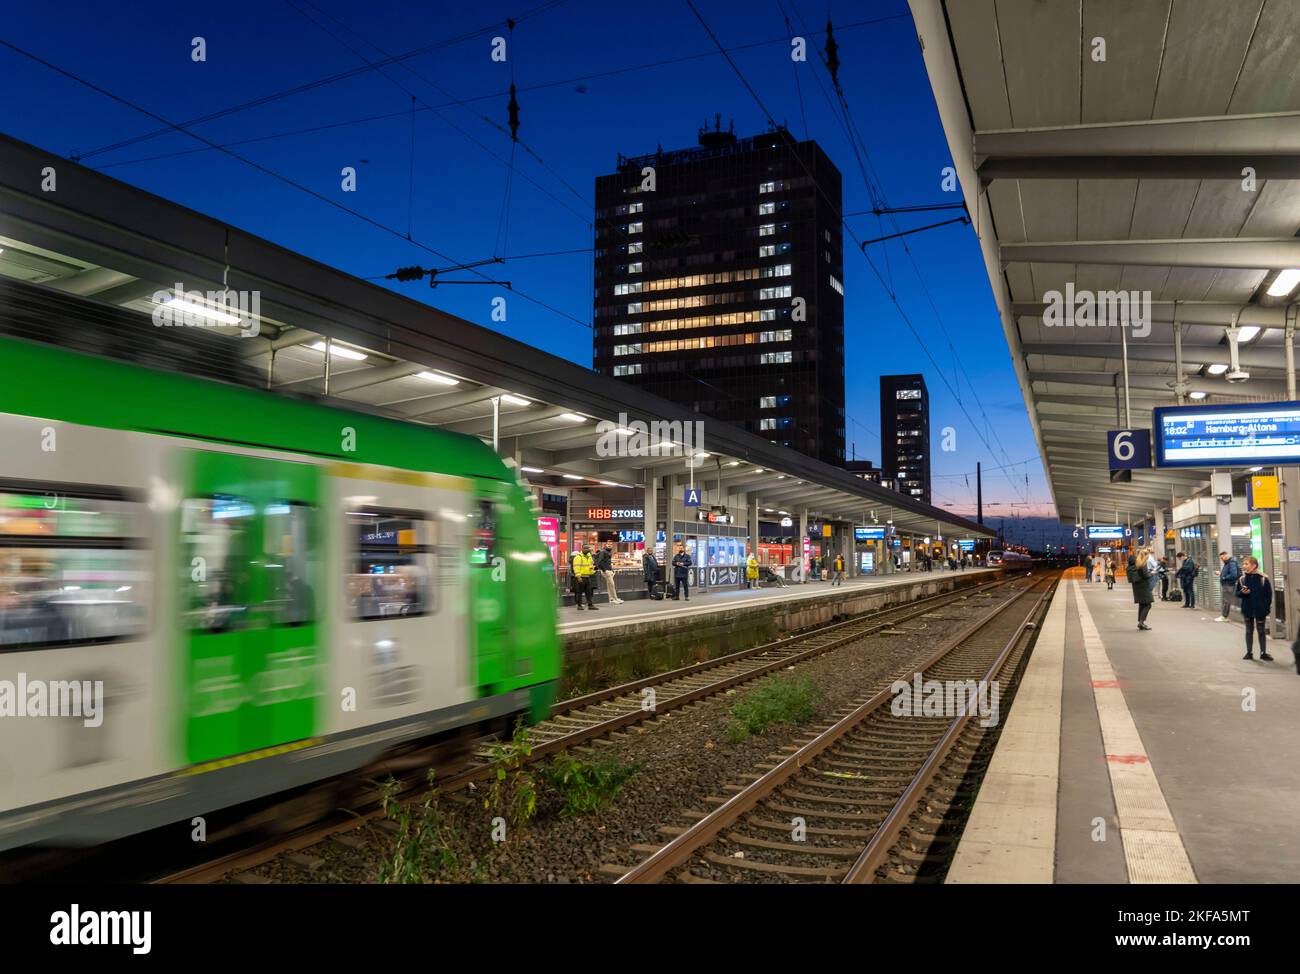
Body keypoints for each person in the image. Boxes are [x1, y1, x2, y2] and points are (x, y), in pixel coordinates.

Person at [1237, 556, 1274, 661]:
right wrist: (1243, 593)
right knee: (1249, 630)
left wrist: (1266, 608)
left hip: (1260, 610)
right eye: (1244, 564)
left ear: (1254, 566)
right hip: (1247, 609)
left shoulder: (1263, 578)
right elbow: (1237, 593)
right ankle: (1249, 652)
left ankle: (1263, 653)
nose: (1244, 566)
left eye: (1247, 564)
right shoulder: (1242, 579)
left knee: (1261, 631)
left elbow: (1268, 596)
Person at [1128, 546, 1154, 631]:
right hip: (1143, 587)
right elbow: (1146, 576)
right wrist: (1152, 573)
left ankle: (1140, 621)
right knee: (1148, 604)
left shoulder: (1135, 565)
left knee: (1142, 604)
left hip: (1137, 587)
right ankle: (1141, 622)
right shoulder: (1142, 565)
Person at [1215, 551, 1240, 623]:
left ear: (1226, 556)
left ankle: (1224, 616)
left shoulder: (1231, 563)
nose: (1222, 559)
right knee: (1226, 600)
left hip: (1229, 585)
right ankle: (1224, 616)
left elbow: (1233, 575)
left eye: (1222, 558)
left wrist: (1223, 577)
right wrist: (1221, 574)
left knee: (1226, 600)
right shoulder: (1228, 563)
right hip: (1228, 584)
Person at [571, 544, 597, 611]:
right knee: (579, 592)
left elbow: (591, 566)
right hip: (581, 577)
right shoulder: (578, 557)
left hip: (588, 577)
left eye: (587, 548)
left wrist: (593, 570)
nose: (586, 549)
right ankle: (579, 605)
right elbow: (576, 568)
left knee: (588, 592)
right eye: (585, 548)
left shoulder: (589, 557)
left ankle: (590, 605)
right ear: (582, 549)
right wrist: (578, 577)